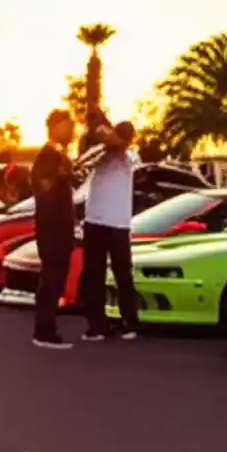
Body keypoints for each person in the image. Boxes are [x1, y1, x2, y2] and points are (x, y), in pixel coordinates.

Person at [79, 119, 141, 341]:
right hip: (95, 220)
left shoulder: (131, 157)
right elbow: (82, 161)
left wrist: (114, 142)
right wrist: (102, 141)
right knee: (93, 275)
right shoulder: (100, 153)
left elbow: (126, 154)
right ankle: (97, 325)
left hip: (118, 223)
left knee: (123, 274)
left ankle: (130, 322)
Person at [31, 109, 78, 349]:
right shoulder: (48, 156)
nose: (72, 129)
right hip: (52, 233)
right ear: (54, 126)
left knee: (55, 281)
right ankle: (44, 333)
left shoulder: (59, 155)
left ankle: (46, 330)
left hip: (59, 232)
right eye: (67, 125)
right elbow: (45, 189)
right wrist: (62, 176)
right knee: (51, 281)